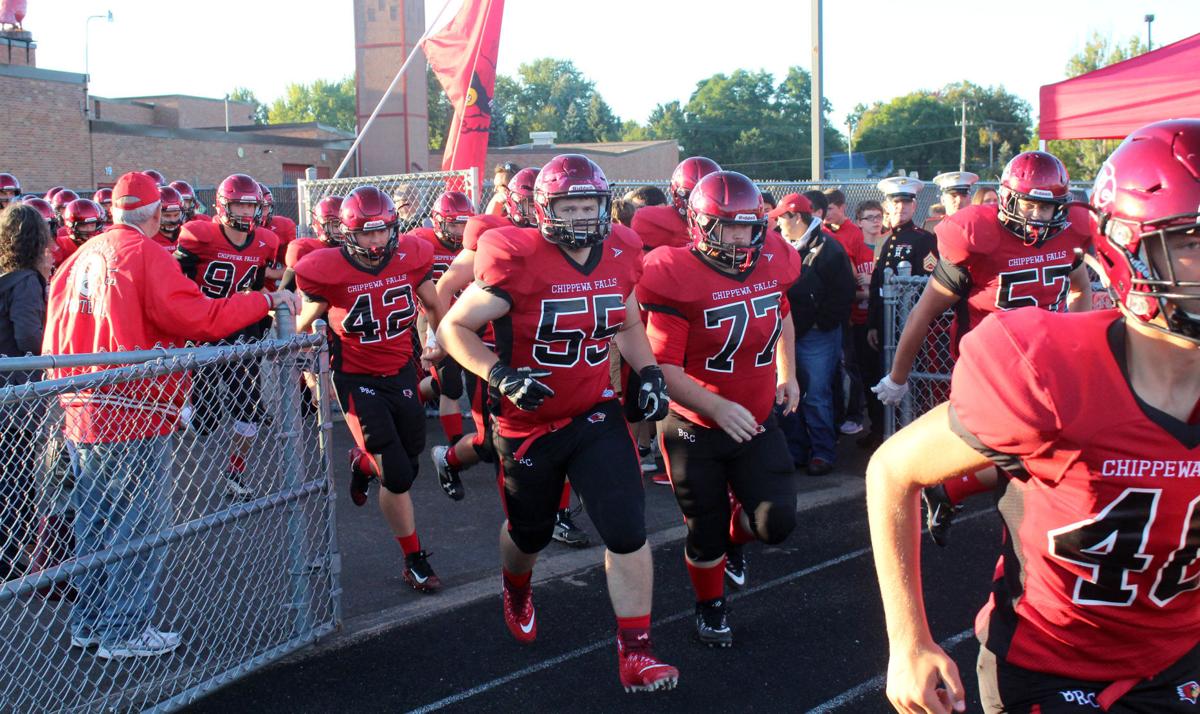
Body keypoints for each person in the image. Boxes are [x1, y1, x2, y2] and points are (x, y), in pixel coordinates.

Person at [868, 118, 1200, 714]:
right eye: (1195, 241)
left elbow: (1074, 286)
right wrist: (908, 641)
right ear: (1129, 246)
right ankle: (970, 474)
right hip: (1052, 666)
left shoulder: (1066, 251)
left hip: (1181, 654)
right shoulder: (1045, 368)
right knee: (1037, 451)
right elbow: (891, 468)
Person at [439, 154, 678, 693]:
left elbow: (628, 318)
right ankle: (517, 585)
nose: (580, 216)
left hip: (593, 411)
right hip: (526, 423)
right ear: (544, 209)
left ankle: (636, 652)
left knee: (626, 526)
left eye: (588, 204)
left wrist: (647, 371)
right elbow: (455, 327)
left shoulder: (622, 249)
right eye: (568, 205)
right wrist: (499, 374)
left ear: (604, 204)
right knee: (531, 532)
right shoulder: (515, 256)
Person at [43, 171, 293, 660]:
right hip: (131, 409)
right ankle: (122, 629)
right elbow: (198, 318)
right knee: (138, 523)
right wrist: (264, 300)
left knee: (97, 522)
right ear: (156, 214)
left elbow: (52, 331)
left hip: (83, 404)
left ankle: (92, 622)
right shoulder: (144, 254)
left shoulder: (78, 257)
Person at [874, 151, 1094, 546]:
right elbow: (922, 314)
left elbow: (1080, 287)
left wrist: (1072, 336)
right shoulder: (979, 241)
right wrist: (898, 377)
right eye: (1031, 204)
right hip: (991, 369)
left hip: (1044, 368)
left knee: (1043, 459)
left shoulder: (1066, 238)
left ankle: (950, 491)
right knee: (1033, 463)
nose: (1040, 217)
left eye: (1049, 207)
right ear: (1008, 198)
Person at [637, 171, 801, 647]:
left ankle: (736, 540)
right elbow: (663, 367)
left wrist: (787, 373)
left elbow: (782, 312)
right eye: (727, 227)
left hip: (753, 417)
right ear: (698, 224)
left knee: (776, 522)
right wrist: (717, 406)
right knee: (703, 531)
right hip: (694, 425)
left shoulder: (773, 261)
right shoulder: (674, 274)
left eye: (749, 227)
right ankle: (710, 605)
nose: (740, 237)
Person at [295, 186, 446, 593]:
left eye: (382, 231)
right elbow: (304, 324)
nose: (376, 241)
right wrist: (312, 373)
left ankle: (360, 464)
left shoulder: (412, 256)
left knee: (410, 464)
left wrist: (440, 340)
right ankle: (413, 559)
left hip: (400, 371)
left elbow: (434, 305)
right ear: (348, 234)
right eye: (366, 233)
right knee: (397, 477)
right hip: (355, 377)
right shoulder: (327, 268)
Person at [175, 174, 281, 500]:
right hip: (205, 330)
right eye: (240, 204)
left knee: (248, 407)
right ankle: (183, 416)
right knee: (205, 420)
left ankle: (236, 470)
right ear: (223, 205)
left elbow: (260, 283)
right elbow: (176, 282)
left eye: (252, 205)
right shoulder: (198, 234)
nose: (248, 212)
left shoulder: (266, 240)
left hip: (242, 330)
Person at [772, 193, 856, 475]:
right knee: (785, 391)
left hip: (814, 334)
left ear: (796, 217)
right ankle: (796, 450)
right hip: (786, 332)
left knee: (816, 394)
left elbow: (843, 292)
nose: (778, 223)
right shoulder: (778, 244)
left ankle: (822, 451)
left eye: (782, 217)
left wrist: (822, 323)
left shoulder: (829, 248)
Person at [861, 177, 938, 450]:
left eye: (906, 202)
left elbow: (927, 286)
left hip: (908, 321)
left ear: (914, 205)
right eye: (896, 202)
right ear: (887, 206)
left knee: (910, 376)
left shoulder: (923, 239)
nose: (901, 207)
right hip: (883, 320)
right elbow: (876, 285)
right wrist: (872, 324)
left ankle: (910, 431)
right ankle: (882, 429)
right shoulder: (883, 240)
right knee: (879, 374)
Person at [0, 202, 52, 582]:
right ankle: (11, 555)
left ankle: (10, 552)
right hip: (15, 395)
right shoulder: (25, 281)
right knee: (16, 477)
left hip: (8, 391)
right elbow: (29, 336)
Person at [823, 188, 874, 436]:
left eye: (830, 209)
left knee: (852, 365)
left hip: (852, 310)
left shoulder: (854, 233)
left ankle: (855, 414)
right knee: (833, 366)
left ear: (842, 207)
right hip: (829, 310)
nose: (826, 214)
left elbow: (855, 274)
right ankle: (837, 414)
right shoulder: (822, 231)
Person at [632, 156, 721, 252]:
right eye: (691, 195)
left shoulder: (726, 225)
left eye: (708, 197)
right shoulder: (653, 219)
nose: (698, 204)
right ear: (676, 193)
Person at [852, 200, 886, 445]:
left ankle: (890, 427)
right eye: (870, 217)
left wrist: (872, 284)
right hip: (861, 322)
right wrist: (873, 290)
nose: (876, 221)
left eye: (878, 216)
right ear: (859, 222)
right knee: (869, 379)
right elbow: (848, 290)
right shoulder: (854, 249)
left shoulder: (889, 245)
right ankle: (876, 428)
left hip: (885, 321)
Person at [280, 195, 344, 291]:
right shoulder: (305, 248)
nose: (341, 230)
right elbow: (284, 293)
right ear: (320, 224)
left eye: (344, 225)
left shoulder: (359, 249)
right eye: (335, 225)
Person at [150, 186, 185, 252]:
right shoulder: (148, 237)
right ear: (154, 213)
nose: (173, 220)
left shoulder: (186, 234)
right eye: (167, 215)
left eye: (176, 215)